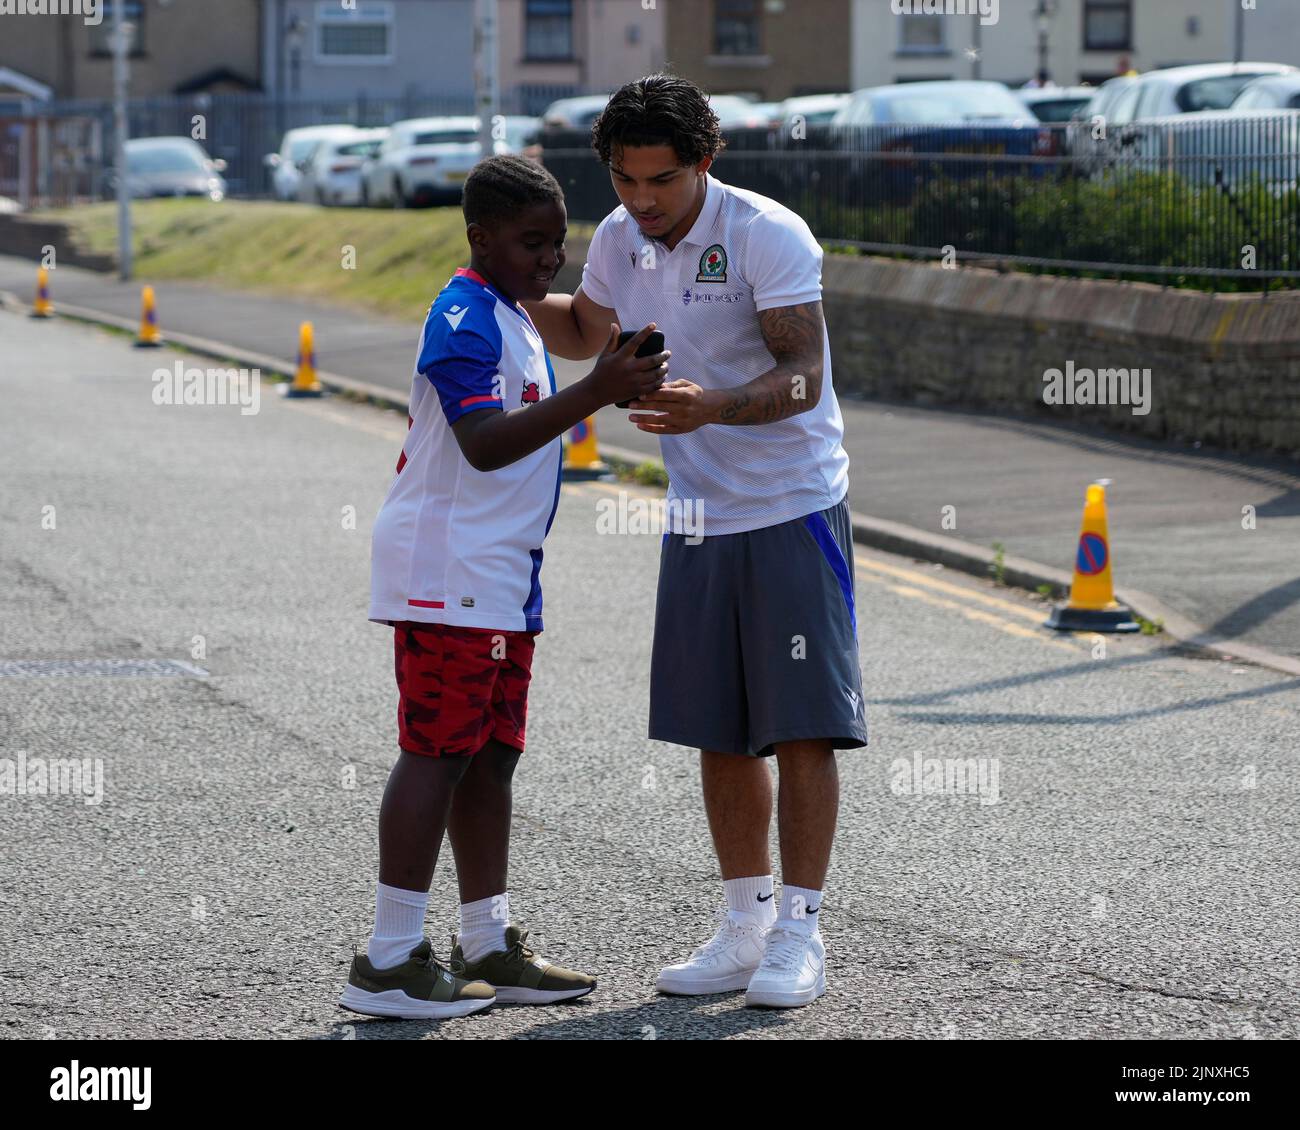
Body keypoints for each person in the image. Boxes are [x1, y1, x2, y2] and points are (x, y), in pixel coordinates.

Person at [523, 75, 867, 1009]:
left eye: (661, 181)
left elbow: (804, 374)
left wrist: (714, 405)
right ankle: (743, 922)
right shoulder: (618, 240)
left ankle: (801, 932)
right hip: (696, 513)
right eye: (625, 181)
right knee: (719, 727)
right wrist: (502, 289)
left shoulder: (766, 232)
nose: (641, 201)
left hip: (792, 505)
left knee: (801, 724)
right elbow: (585, 331)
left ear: (705, 164)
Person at [340, 155, 669, 1019]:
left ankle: (487, 941)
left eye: (558, 242)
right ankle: (387, 960)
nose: (549, 259)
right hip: (448, 571)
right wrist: (598, 389)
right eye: (531, 243)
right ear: (479, 238)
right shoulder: (462, 316)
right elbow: (483, 443)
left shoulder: (512, 313)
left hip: (500, 579)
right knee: (437, 752)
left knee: (490, 758)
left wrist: (608, 380)